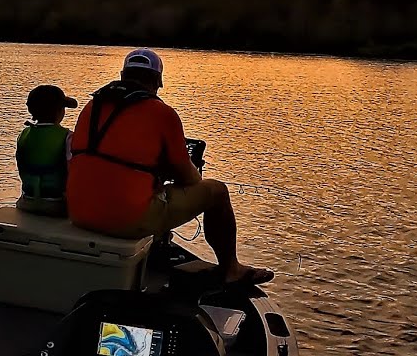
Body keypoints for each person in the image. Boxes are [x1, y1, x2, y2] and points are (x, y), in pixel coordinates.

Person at [66, 48, 273, 287]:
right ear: (157, 80)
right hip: (126, 221)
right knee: (217, 191)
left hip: (79, 213)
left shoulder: (91, 107)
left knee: (146, 191)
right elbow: (190, 179)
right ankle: (231, 269)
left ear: (123, 76)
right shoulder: (163, 113)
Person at [15, 84, 77, 217]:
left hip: (27, 202)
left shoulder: (23, 135)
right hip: (57, 205)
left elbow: (21, 167)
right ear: (59, 112)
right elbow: (73, 172)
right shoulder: (67, 137)